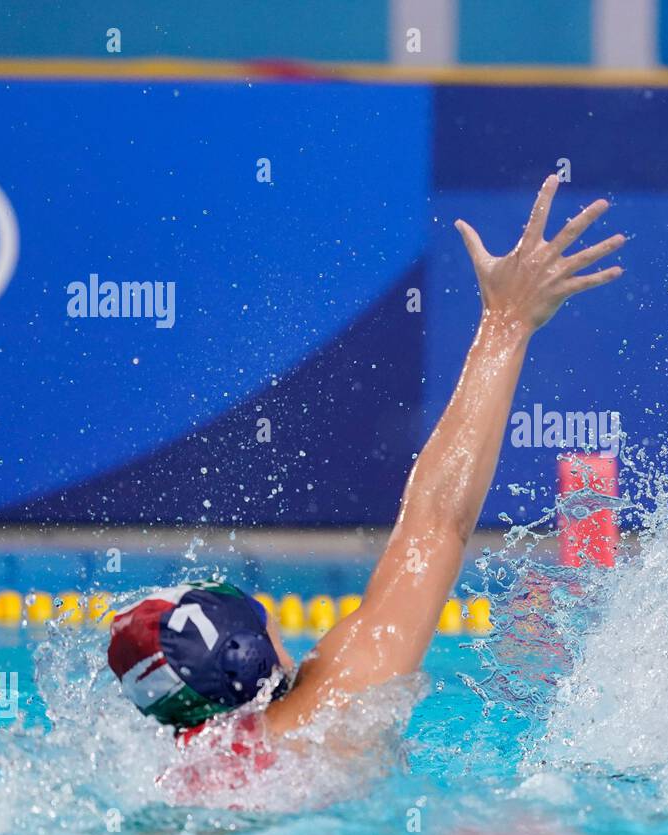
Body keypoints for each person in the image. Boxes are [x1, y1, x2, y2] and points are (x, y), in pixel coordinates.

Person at [106, 174, 625, 788]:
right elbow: (436, 526)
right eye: (253, 608)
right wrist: (506, 323)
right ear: (246, 654)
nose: (269, 610)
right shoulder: (335, 710)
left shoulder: (182, 788)